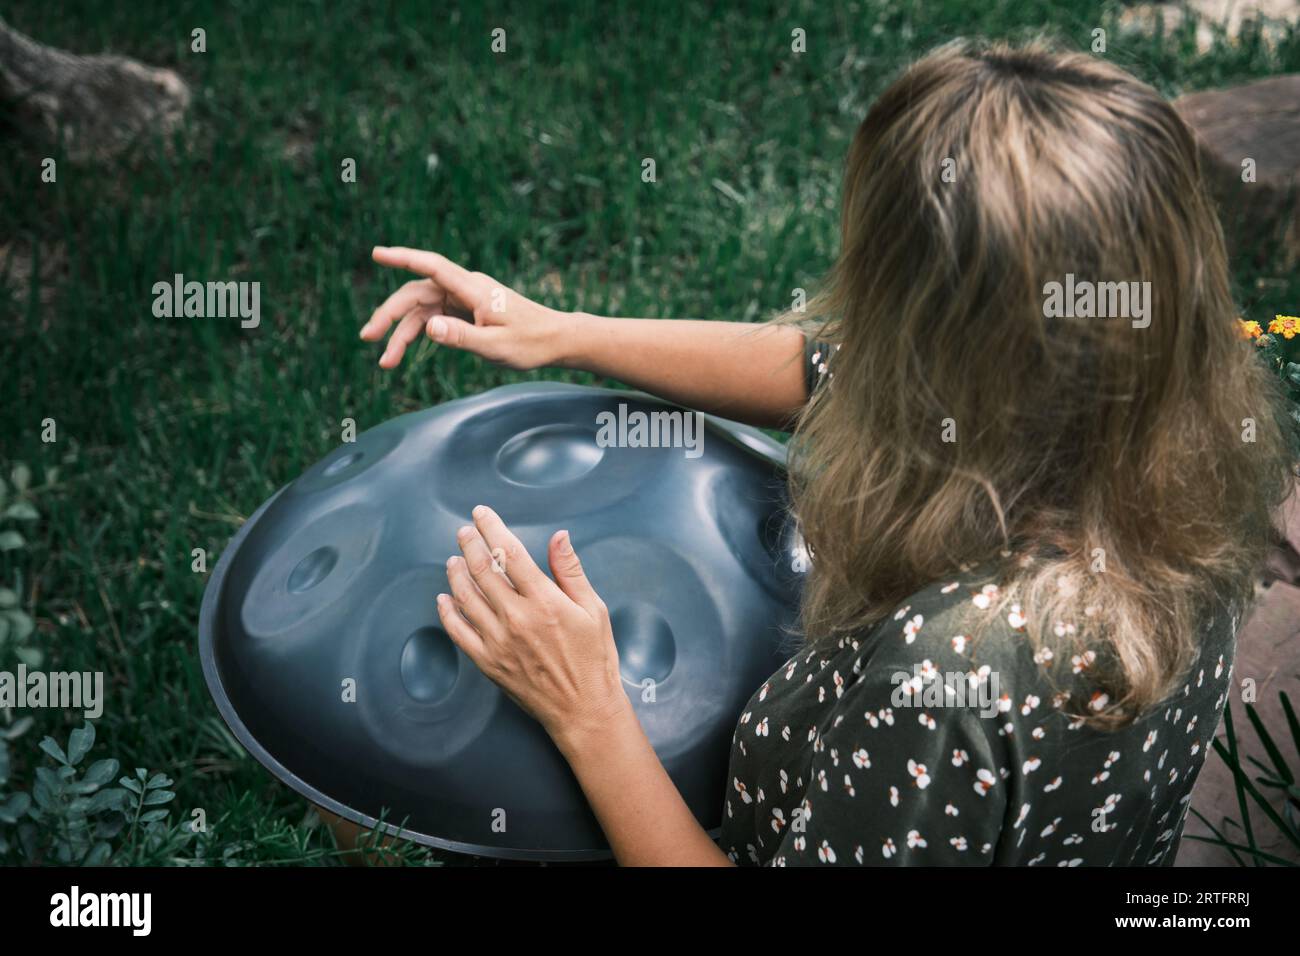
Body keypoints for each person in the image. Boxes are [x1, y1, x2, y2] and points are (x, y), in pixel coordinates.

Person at [359, 39, 1294, 866]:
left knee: (363, 810)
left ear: (942, 357)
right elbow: (820, 370)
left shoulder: (946, 677)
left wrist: (588, 709)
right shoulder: (1189, 460)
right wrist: (564, 331)